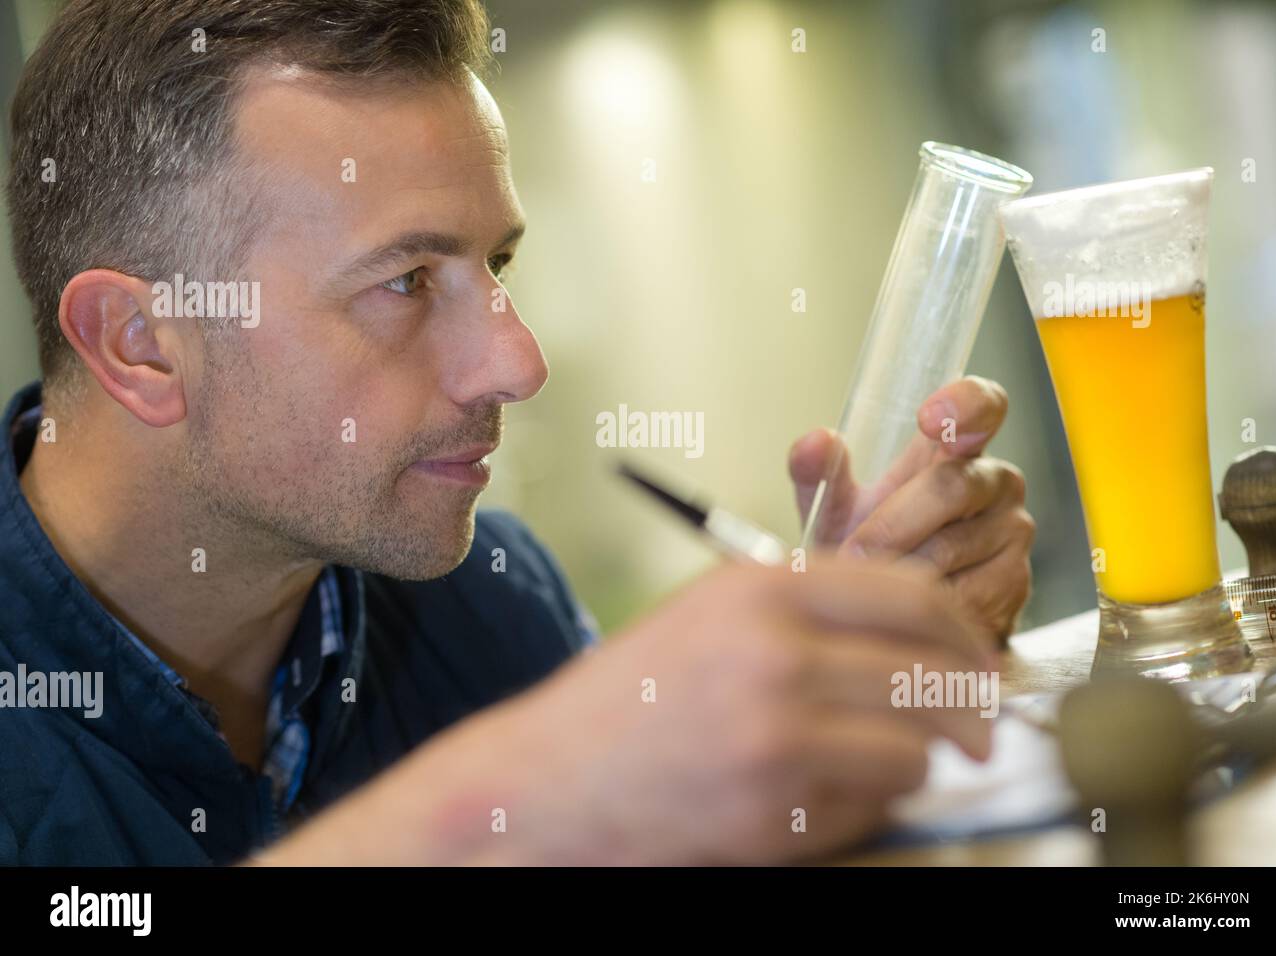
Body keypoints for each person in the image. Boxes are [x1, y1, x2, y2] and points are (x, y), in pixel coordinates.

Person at [0, 0, 1034, 865]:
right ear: (140, 343)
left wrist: (848, 691)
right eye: (404, 281)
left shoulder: (491, 597)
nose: (517, 362)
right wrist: (512, 790)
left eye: (496, 265)